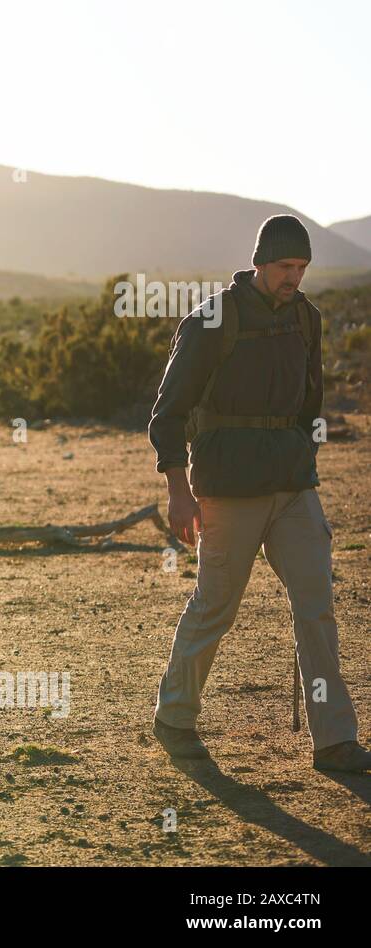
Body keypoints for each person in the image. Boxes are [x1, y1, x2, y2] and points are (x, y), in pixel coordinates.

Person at [149, 214, 371, 772]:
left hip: (293, 486)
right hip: (228, 487)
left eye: (302, 267)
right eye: (284, 266)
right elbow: (168, 414)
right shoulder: (212, 320)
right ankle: (174, 717)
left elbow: (310, 404)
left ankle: (335, 739)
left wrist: (304, 457)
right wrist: (179, 490)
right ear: (259, 263)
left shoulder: (307, 319)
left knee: (316, 606)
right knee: (216, 606)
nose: (294, 277)